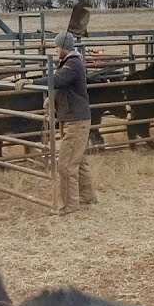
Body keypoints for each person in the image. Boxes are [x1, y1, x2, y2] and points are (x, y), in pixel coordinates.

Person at [16, 31, 96, 214]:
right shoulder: (70, 63)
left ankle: (69, 205)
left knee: (66, 164)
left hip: (76, 120)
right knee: (79, 160)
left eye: (56, 46)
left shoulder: (73, 64)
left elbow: (58, 80)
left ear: (63, 47)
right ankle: (87, 196)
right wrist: (52, 100)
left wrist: (31, 81)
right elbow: (63, 86)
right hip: (75, 118)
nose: (55, 49)